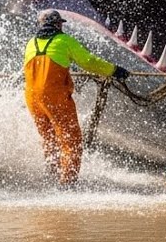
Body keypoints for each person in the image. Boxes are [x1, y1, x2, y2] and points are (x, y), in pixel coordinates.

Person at [23, 10, 129, 187]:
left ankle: (51, 177)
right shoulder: (64, 40)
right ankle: (68, 184)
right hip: (55, 97)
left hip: (32, 98)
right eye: (60, 23)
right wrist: (114, 70)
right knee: (71, 140)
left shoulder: (30, 43)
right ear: (57, 24)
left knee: (49, 139)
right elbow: (88, 62)